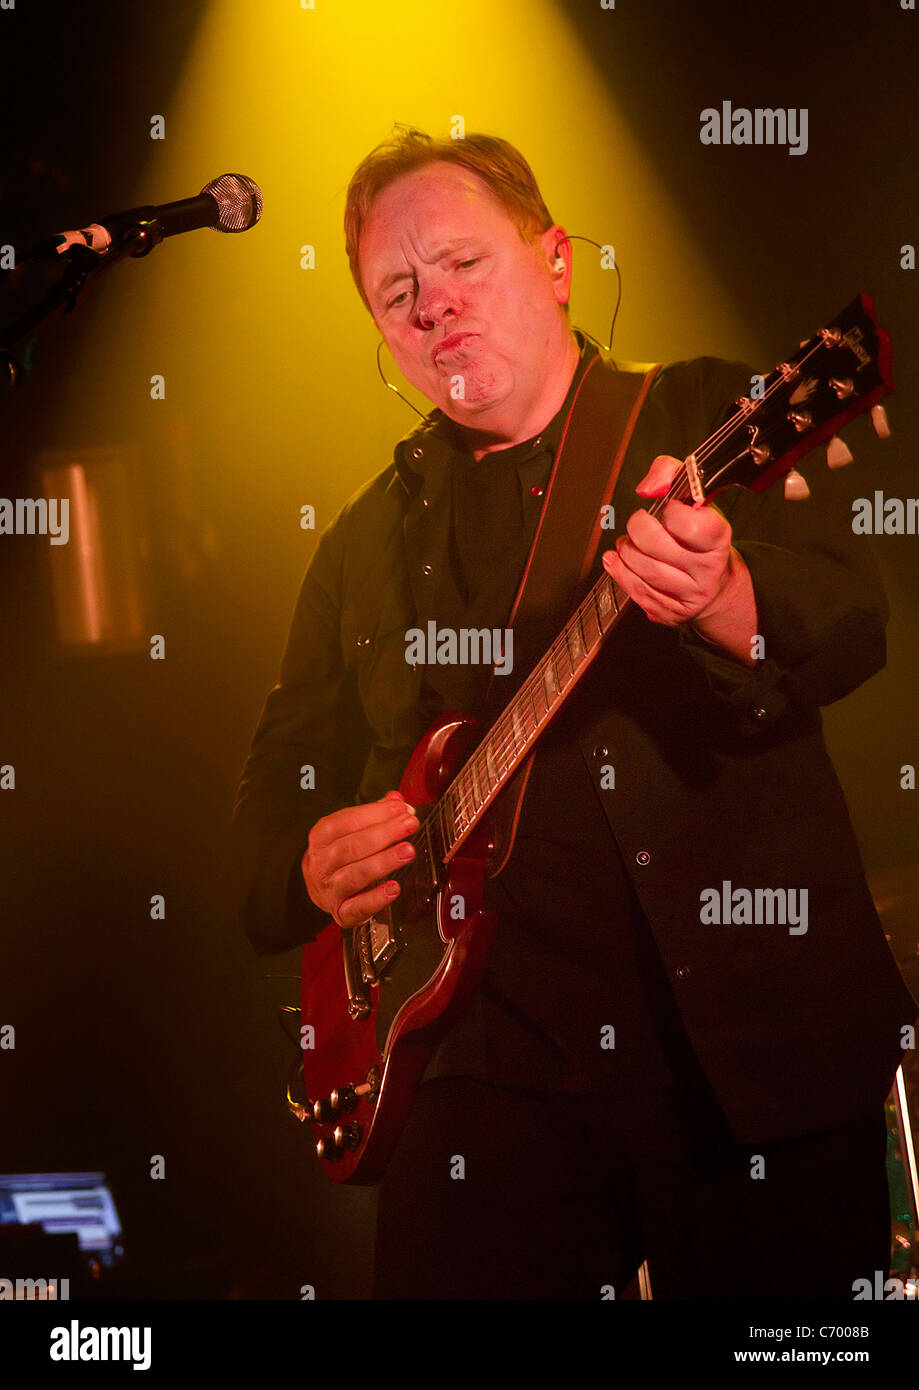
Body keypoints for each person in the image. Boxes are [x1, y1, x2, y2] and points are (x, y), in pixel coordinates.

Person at [232, 127, 918, 1300]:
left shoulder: (707, 411)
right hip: (481, 1076)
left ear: (553, 260)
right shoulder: (357, 549)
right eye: (397, 293)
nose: (433, 307)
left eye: (461, 264)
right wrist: (308, 863)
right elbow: (266, 821)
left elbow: (854, 619)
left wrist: (722, 594)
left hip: (749, 1057)